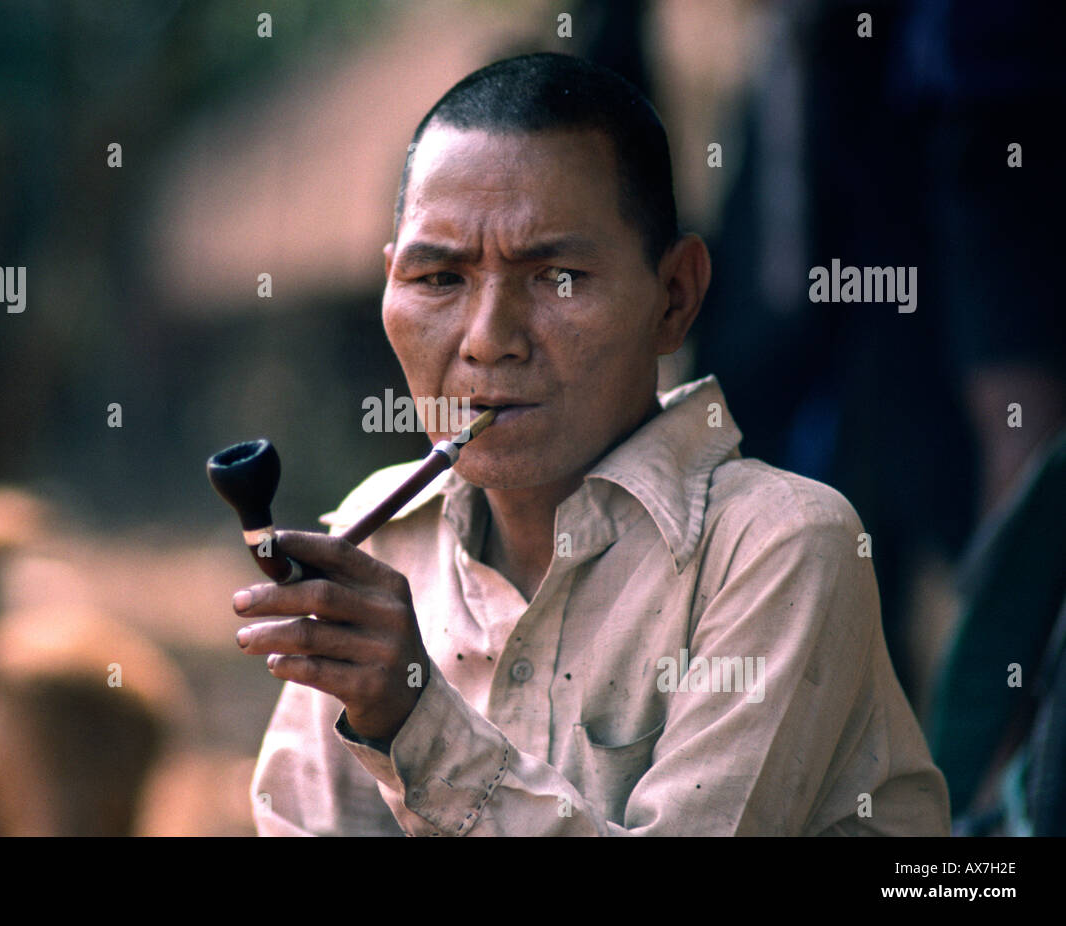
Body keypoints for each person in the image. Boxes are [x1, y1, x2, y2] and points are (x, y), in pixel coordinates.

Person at [236, 52, 949, 836]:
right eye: (439, 280)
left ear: (674, 297)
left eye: (558, 278)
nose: (489, 340)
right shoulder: (380, 541)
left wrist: (415, 722)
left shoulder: (780, 548)